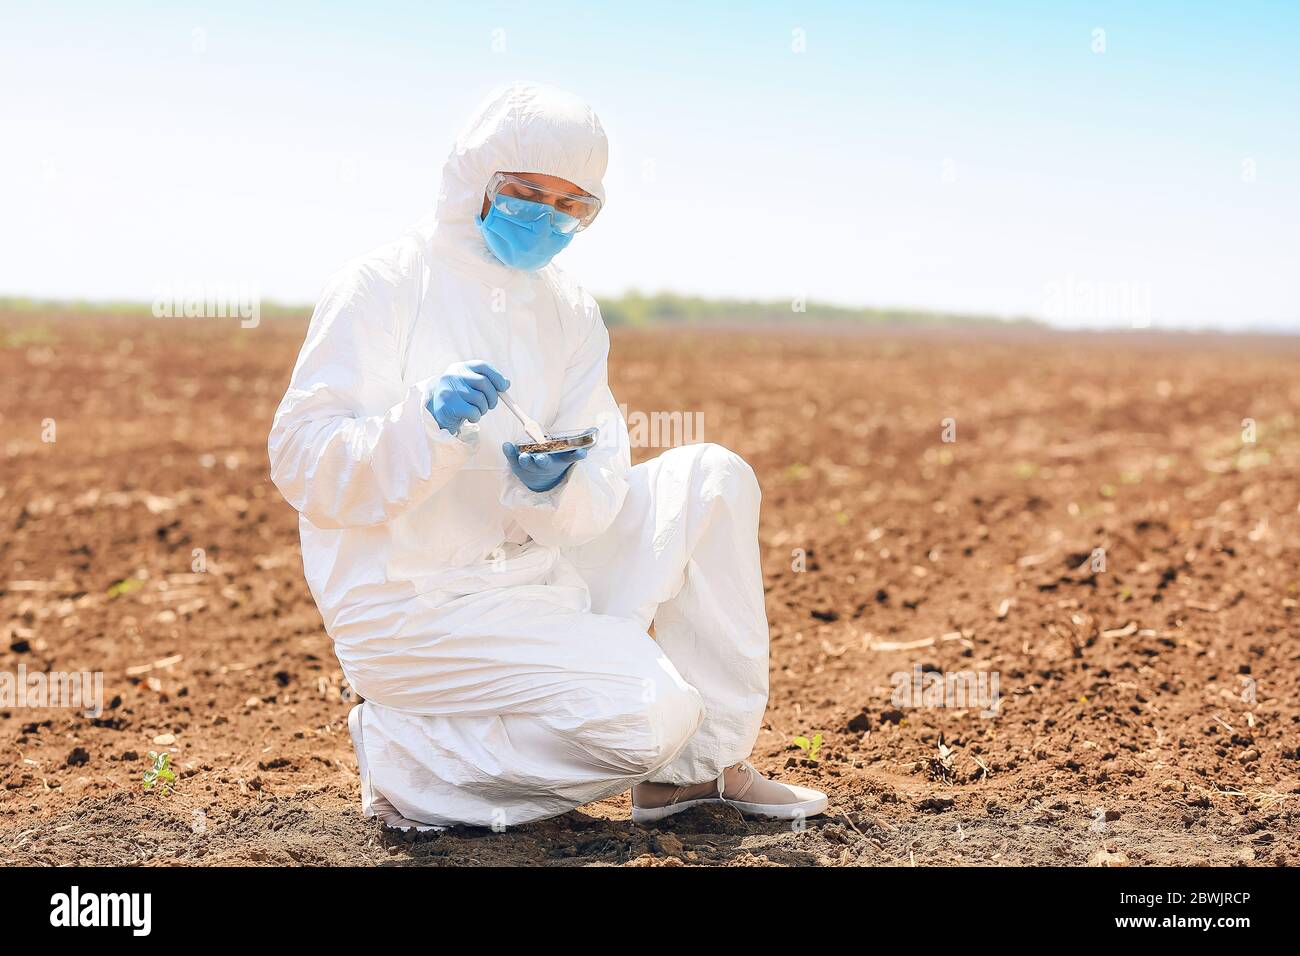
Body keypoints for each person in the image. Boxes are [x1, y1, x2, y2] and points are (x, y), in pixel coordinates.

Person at [268, 82, 827, 829]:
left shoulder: (567, 309)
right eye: (529, 192)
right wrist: (422, 426)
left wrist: (551, 486)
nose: (549, 218)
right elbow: (304, 461)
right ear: (475, 176)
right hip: (412, 605)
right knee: (649, 718)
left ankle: (696, 775)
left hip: (536, 573)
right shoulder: (383, 285)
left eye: (573, 206)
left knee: (714, 477)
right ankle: (407, 758)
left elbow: (600, 468)